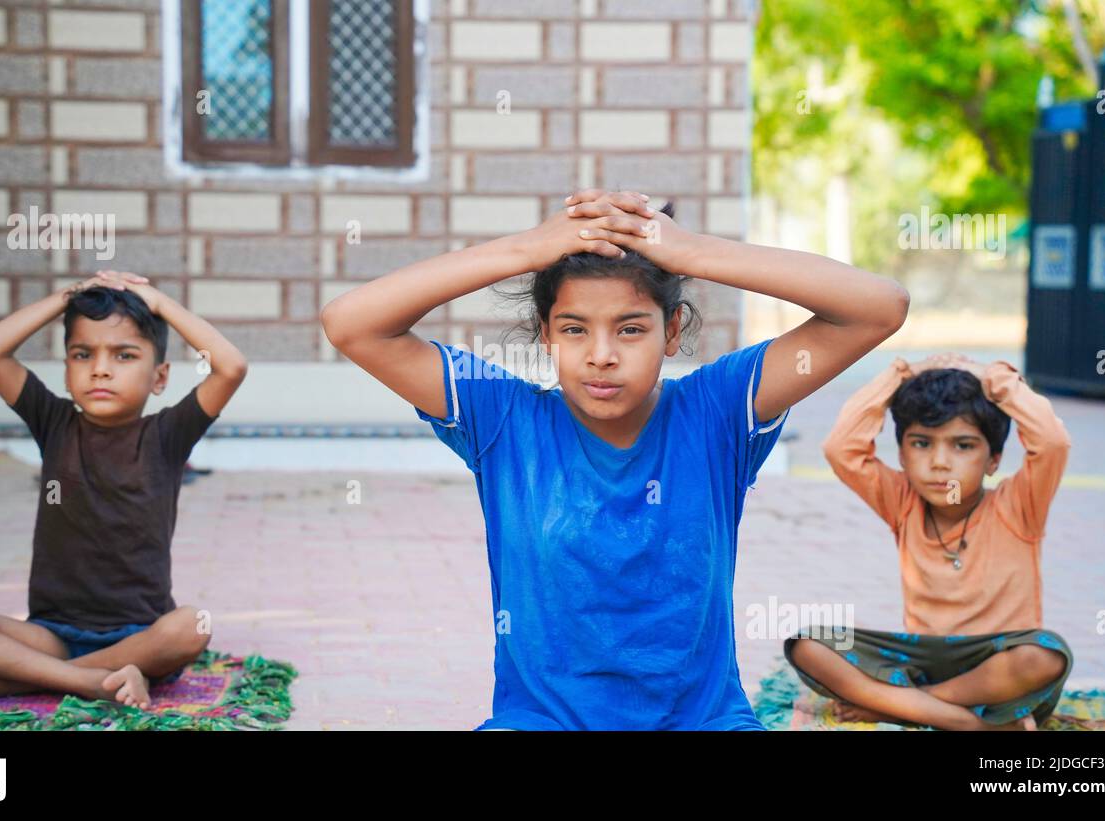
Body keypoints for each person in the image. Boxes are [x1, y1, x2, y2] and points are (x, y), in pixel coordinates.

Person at [321, 188, 909, 729]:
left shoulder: (717, 412)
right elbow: (352, 324)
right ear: (545, 333)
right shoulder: (504, 419)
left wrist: (692, 253)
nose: (601, 356)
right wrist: (527, 249)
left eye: (630, 330)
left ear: (672, 330)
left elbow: (878, 308)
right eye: (574, 330)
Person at [0, 270, 247, 709]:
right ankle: (92, 680)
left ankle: (27, 680)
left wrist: (160, 303)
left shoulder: (168, 435)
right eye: (82, 354)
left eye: (124, 356)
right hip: (50, 635)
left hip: (140, 636)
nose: (100, 369)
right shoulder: (53, 423)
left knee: (192, 626)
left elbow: (231, 366)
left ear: (160, 376)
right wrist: (68, 297)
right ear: (66, 369)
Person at [786, 353, 1073, 730]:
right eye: (922, 444)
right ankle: (971, 724)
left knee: (1046, 655)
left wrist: (994, 378)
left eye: (963, 446)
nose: (940, 462)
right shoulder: (903, 502)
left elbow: (1053, 443)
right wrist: (899, 375)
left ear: (993, 460)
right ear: (902, 455)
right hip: (919, 658)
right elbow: (841, 447)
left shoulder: (1019, 506)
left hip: (997, 662)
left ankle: (906, 707)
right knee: (809, 644)